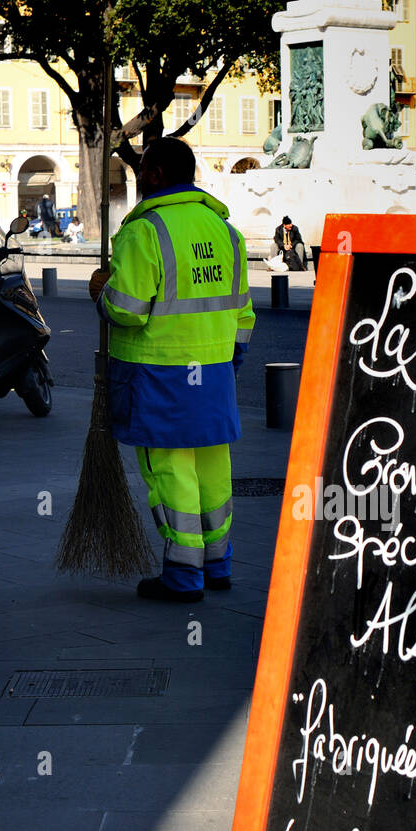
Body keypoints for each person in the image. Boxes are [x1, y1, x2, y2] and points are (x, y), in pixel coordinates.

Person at [95, 137, 255, 602]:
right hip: (214, 372)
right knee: (212, 467)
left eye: (142, 167)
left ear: (157, 175)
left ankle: (184, 575)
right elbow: (244, 313)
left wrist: (102, 294)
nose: (138, 173)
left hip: (157, 373)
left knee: (169, 470)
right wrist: (229, 362)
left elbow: (127, 309)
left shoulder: (144, 231)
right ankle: (217, 563)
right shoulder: (226, 231)